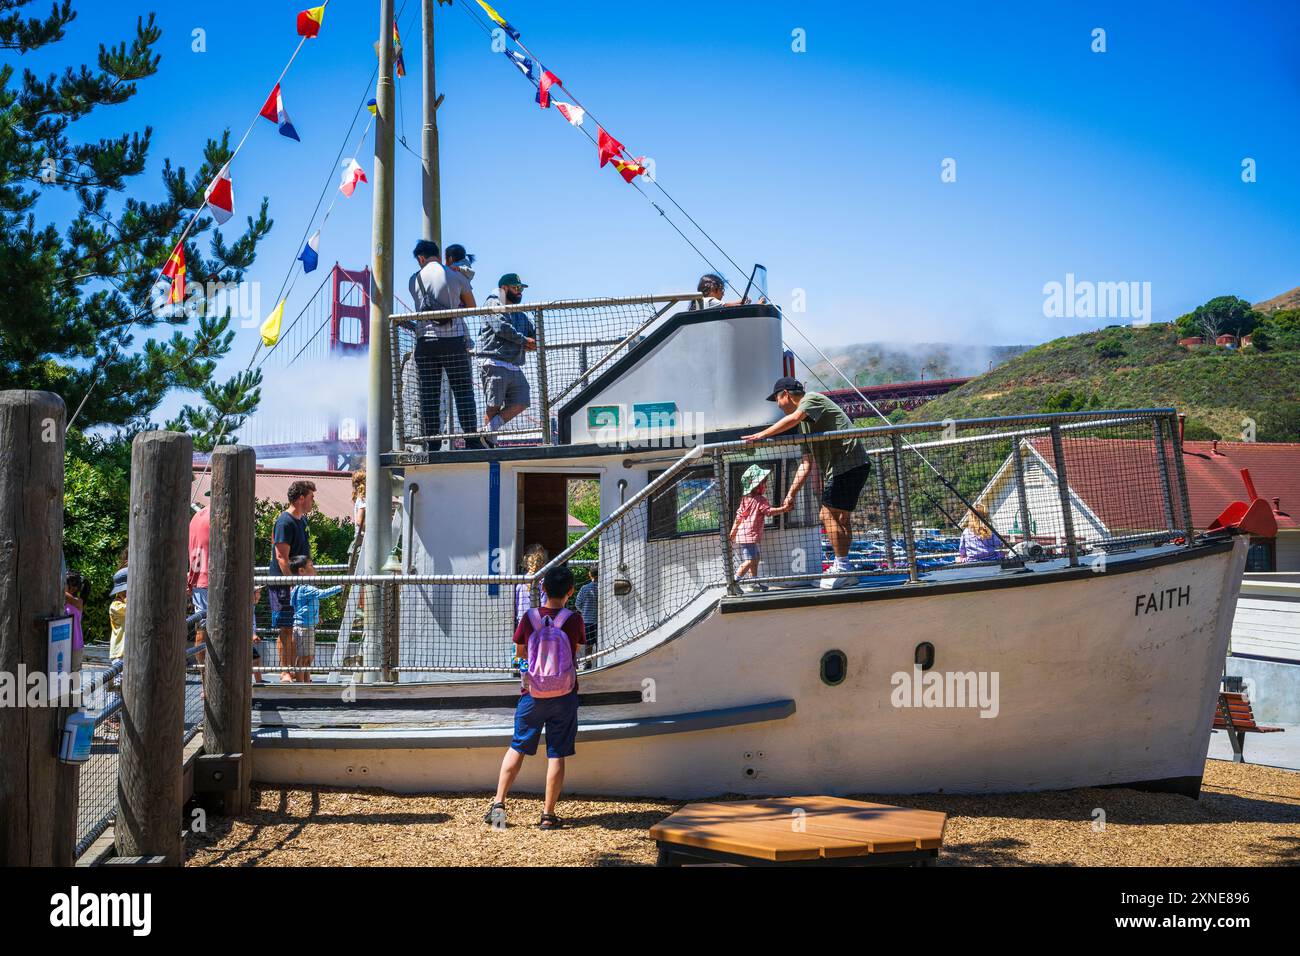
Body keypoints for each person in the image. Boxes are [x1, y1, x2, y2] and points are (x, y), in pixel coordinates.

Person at [743, 377, 872, 589]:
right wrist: (791, 494)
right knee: (841, 517)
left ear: (785, 394)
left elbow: (795, 417)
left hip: (847, 463)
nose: (777, 404)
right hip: (849, 466)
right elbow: (806, 463)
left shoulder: (811, 399)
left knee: (826, 514)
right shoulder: (803, 426)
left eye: (776, 398)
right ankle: (845, 569)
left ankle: (842, 567)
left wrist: (761, 435)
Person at [485, 564, 585, 831]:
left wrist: (527, 676)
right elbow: (575, 654)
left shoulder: (529, 618)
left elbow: (520, 655)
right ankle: (548, 815)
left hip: (531, 695)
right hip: (564, 696)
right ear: (570, 591)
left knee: (517, 746)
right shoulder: (574, 619)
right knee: (557, 753)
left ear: (543, 588)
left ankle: (498, 805)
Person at [407, 239, 482, 448]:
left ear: (421, 258)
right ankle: (471, 440)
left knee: (429, 395)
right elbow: (471, 307)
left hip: (425, 342)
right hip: (453, 341)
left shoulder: (414, 280)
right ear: (437, 255)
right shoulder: (455, 275)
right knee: (463, 392)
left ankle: (432, 443)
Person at [478, 273, 537, 445]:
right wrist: (524, 341)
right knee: (493, 406)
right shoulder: (493, 302)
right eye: (515, 288)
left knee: (522, 401)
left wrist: (534, 341)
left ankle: (486, 434)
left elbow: (532, 332)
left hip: (513, 364)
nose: (519, 292)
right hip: (493, 361)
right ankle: (488, 444)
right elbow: (501, 328)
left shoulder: (519, 313)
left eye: (521, 288)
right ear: (504, 288)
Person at [269, 480, 316, 683]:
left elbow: (305, 554)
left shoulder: (302, 521)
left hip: (300, 586)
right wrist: (292, 583)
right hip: (283, 586)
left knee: (299, 628)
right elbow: (281, 557)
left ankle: (298, 670)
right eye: (311, 497)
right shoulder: (284, 522)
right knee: (286, 627)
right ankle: (285, 671)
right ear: (301, 498)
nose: (313, 501)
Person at [728, 464, 793, 590]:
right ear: (757, 486)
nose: (766, 485)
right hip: (750, 536)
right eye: (764, 482)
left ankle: (754, 583)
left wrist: (733, 532)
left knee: (755, 558)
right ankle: (734, 582)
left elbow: (738, 517)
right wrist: (784, 509)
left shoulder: (745, 500)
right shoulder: (760, 500)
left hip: (743, 535)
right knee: (750, 560)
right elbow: (769, 512)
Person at [288, 557, 342, 683]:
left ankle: (306, 682)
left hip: (305, 626)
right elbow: (323, 593)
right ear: (301, 571)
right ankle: (301, 683)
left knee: (307, 657)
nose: (314, 568)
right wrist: (341, 587)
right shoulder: (306, 587)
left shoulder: (297, 587)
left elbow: (302, 606)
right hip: (304, 627)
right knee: (304, 657)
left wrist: (316, 617)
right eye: (311, 565)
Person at [187, 500, 211, 665]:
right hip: (214, 580)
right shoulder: (217, 515)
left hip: (198, 579)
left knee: (202, 627)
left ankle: (205, 679)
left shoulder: (196, 517)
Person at [515, 543, 549, 623]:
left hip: (522, 620)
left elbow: (516, 604)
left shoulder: (520, 581)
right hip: (538, 622)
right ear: (543, 563)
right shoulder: (543, 582)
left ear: (526, 563)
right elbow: (544, 604)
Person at [574, 566, 598, 665]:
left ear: (590, 575)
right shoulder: (603, 588)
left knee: (588, 644)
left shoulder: (585, 588)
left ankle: (588, 663)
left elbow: (577, 603)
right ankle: (600, 662)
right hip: (600, 621)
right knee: (600, 644)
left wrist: (584, 611)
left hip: (588, 621)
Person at [252, 585, 265, 684]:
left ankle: (259, 680)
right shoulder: (247, 607)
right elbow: (245, 622)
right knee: (255, 659)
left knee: (256, 659)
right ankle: (258, 681)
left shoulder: (251, 607)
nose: (260, 596)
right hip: (243, 639)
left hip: (247, 639)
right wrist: (252, 635)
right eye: (258, 593)